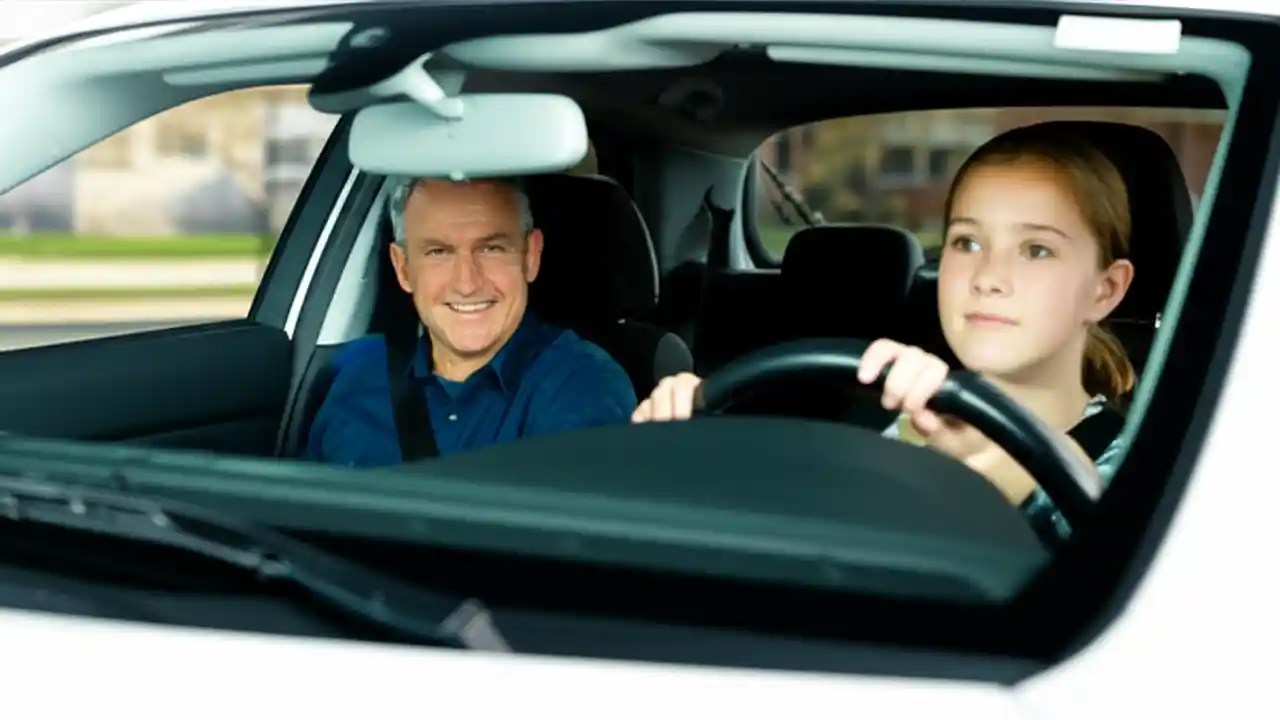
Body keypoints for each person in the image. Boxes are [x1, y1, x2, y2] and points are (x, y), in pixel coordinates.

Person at [633, 124, 1138, 545]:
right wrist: (686, 458)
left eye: (1036, 250)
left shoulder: (1141, 461)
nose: (988, 276)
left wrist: (1015, 479)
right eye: (966, 241)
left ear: (1105, 289)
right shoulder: (879, 422)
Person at [304, 176, 637, 467]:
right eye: (438, 252)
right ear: (403, 268)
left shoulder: (581, 385)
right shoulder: (356, 383)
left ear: (530, 256)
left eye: (491, 248)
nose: (467, 283)